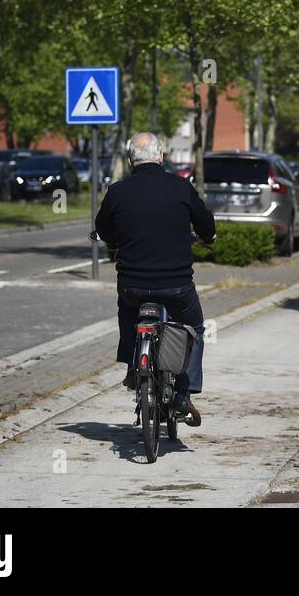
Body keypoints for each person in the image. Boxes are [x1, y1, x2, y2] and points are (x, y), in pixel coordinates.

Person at [94, 132, 215, 426]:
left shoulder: (117, 192)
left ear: (130, 160)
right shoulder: (180, 187)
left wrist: (115, 242)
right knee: (194, 328)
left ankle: (132, 363)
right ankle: (184, 392)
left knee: (127, 312)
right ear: (161, 157)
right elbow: (206, 224)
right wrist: (208, 237)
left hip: (133, 285)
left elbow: (103, 230)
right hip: (177, 286)